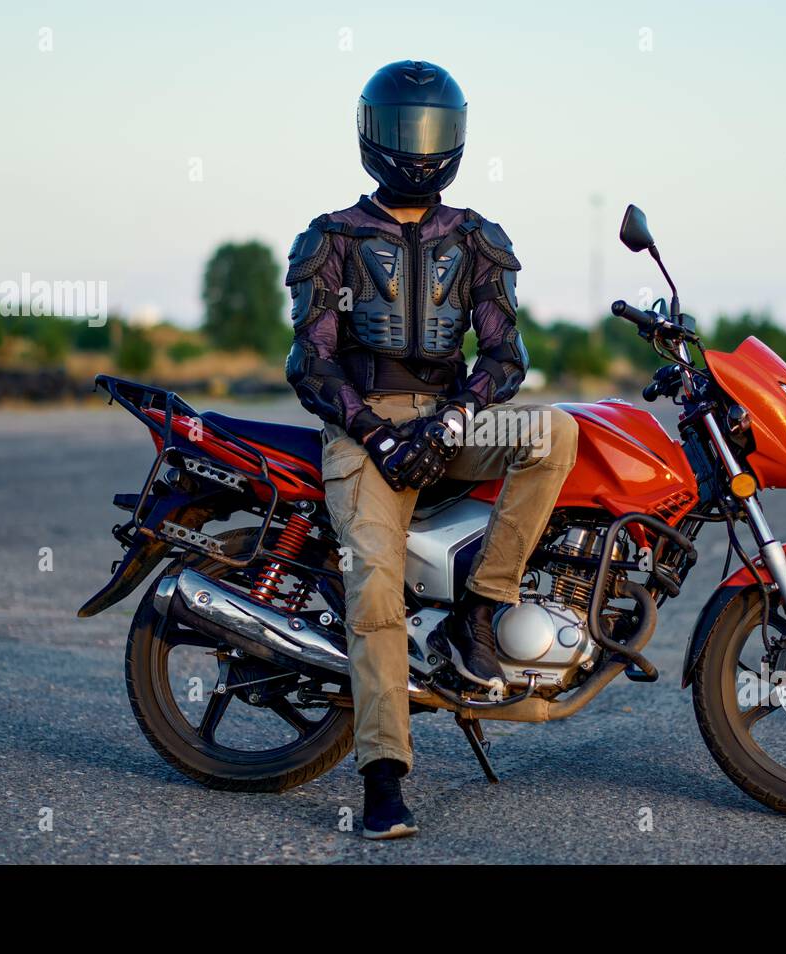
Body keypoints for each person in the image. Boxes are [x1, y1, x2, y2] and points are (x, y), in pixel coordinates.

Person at [283, 60, 578, 839]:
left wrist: (446, 427)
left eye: (434, 132)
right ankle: (384, 777)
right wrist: (378, 434)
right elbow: (309, 363)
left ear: (457, 138)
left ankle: (479, 611)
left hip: (453, 421)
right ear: (371, 136)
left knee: (557, 432)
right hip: (362, 428)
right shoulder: (333, 238)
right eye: (407, 131)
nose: (420, 149)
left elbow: (504, 359)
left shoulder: (477, 238)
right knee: (373, 592)